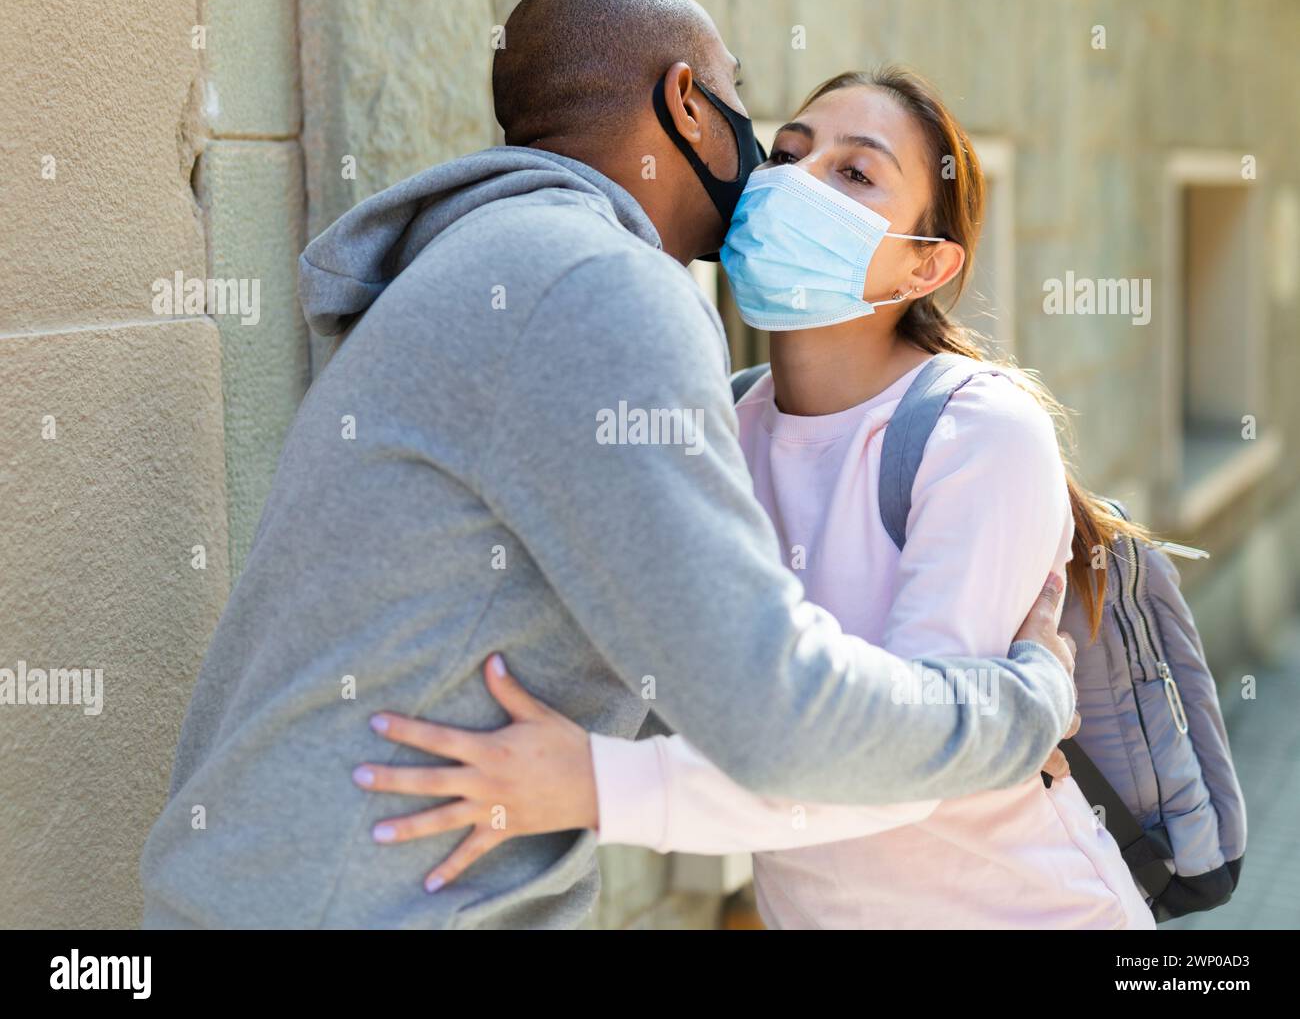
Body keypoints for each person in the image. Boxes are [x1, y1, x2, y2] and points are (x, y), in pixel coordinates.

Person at [139, 0, 1073, 930]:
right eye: (765, 127)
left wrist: (610, 776)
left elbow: (691, 670)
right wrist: (1028, 702)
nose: (776, 174)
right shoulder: (604, 290)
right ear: (687, 104)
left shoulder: (496, 260)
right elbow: (769, 711)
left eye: (850, 169)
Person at [355, 67, 1154, 929]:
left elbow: (912, 763)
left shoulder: (981, 430)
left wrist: (589, 784)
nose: (790, 183)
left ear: (925, 265)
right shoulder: (721, 428)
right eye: (786, 153)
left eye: (854, 172)